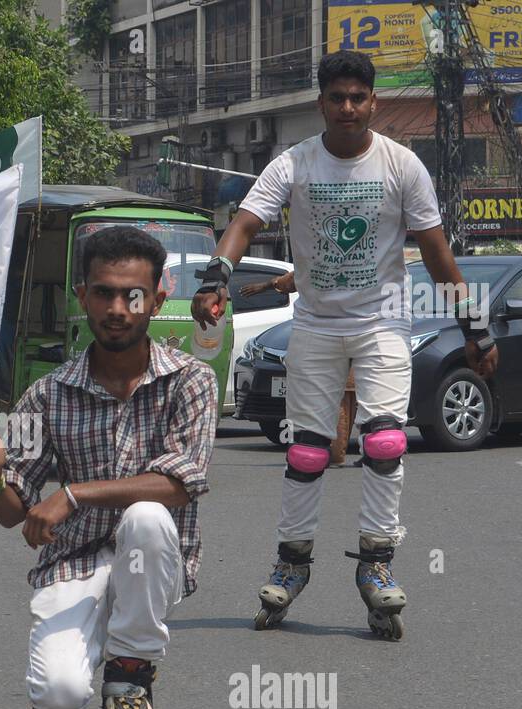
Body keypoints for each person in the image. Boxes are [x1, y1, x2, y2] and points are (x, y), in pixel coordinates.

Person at [191, 50, 498, 641]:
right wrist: (215, 279)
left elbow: (436, 254)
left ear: (373, 102)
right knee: (307, 450)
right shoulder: (295, 164)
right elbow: (245, 224)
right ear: (321, 104)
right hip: (316, 325)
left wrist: (474, 328)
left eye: (359, 97)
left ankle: (377, 564)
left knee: (383, 440)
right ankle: (292, 562)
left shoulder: (402, 166)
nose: (348, 107)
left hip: (383, 322)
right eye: (338, 98)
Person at [0, 226, 217, 709]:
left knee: (147, 517)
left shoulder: (190, 381)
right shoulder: (47, 393)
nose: (117, 309)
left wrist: (74, 493)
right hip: (71, 561)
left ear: (157, 297)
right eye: (103, 293)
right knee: (59, 695)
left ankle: (130, 679)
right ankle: (61, 700)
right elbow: (15, 511)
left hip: (151, 556)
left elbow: (178, 486)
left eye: (133, 295)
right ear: (82, 297)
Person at [240, 270, 357, 465]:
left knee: (340, 403)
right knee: (345, 401)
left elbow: (294, 279)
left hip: (331, 341)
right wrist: (267, 286)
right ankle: (361, 451)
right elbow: (293, 279)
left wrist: (267, 286)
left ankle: (337, 453)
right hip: (346, 342)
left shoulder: (325, 263)